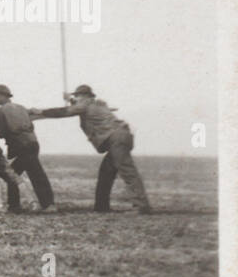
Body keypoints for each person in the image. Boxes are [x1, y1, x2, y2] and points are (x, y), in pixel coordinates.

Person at [36, 85, 152, 213]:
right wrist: (71, 100)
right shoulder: (96, 104)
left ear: (84, 96)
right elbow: (79, 106)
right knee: (106, 172)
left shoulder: (85, 104)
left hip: (116, 139)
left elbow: (65, 112)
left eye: (77, 96)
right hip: (121, 137)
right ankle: (101, 207)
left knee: (128, 172)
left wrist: (41, 112)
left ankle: (142, 206)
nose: (76, 98)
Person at [0, 84, 55, 212]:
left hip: (20, 146)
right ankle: (14, 205)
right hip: (33, 143)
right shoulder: (21, 108)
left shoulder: (1, 111)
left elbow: (0, 133)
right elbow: (30, 126)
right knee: (15, 173)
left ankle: (48, 205)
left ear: (3, 96)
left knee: (32, 174)